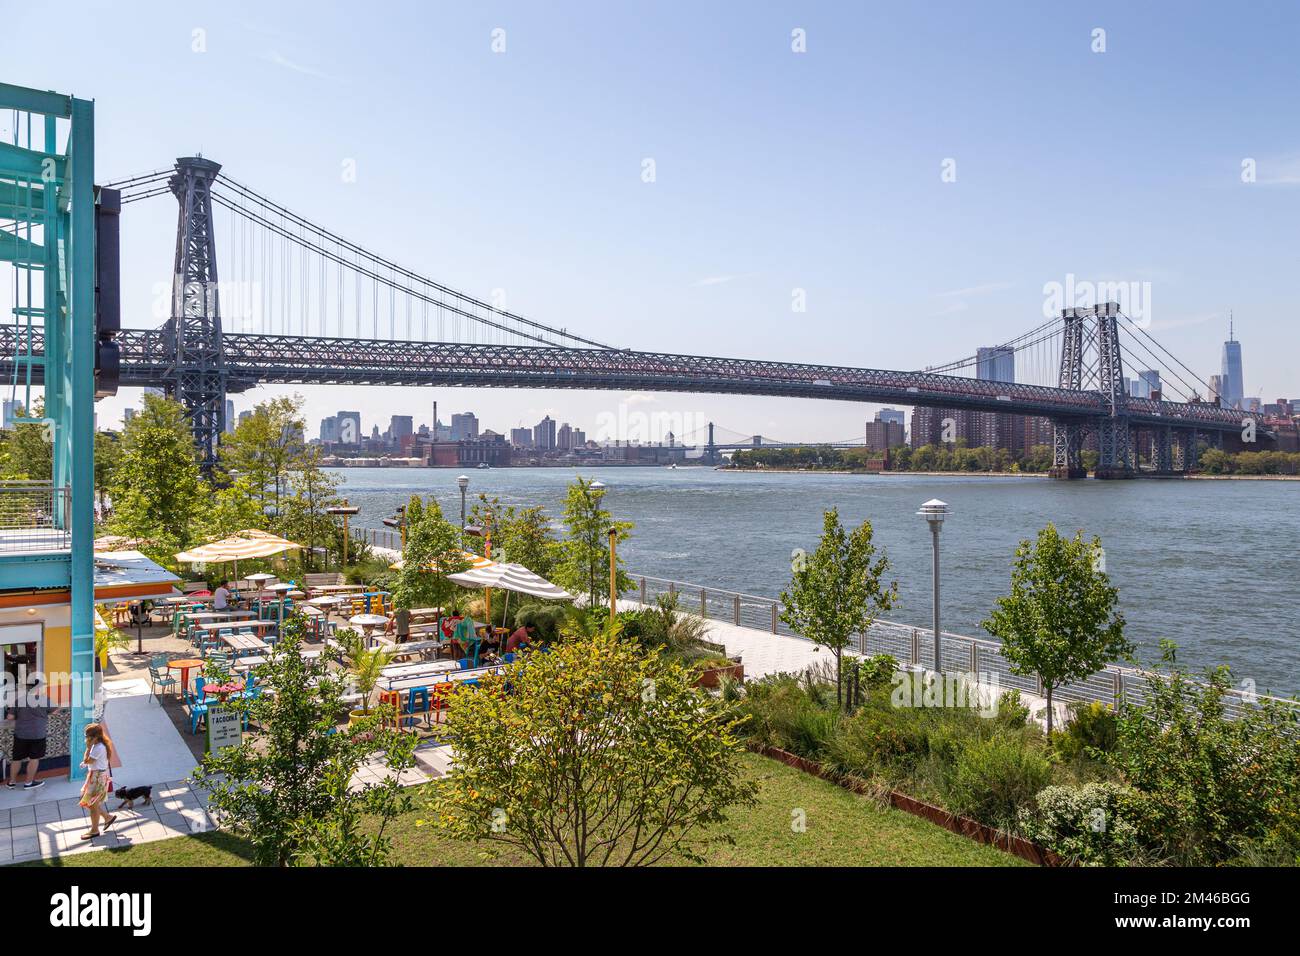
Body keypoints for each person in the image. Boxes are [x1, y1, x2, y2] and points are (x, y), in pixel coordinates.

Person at [6, 675, 51, 790]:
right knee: (34, 758)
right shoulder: (44, 700)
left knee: (16, 758)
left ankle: (11, 782)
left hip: (21, 734)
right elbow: (56, 710)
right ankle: (28, 783)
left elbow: (10, 717)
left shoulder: (19, 700)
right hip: (37, 734)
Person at [78, 723, 117, 840]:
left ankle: (94, 830)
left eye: (88, 736)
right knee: (88, 803)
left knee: (91, 804)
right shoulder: (99, 745)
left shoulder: (97, 747)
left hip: (97, 777)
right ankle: (107, 817)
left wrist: (88, 747)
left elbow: (88, 760)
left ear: (95, 737)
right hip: (95, 776)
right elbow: (89, 762)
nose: (86, 739)